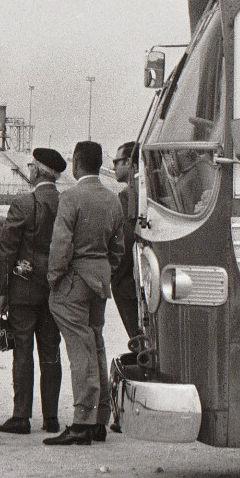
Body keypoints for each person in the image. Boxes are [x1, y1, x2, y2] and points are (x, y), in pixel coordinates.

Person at [44, 141, 125, 445]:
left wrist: (54, 279)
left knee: (80, 351)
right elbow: (117, 248)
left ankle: (82, 421)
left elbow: (61, 245)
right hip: (100, 280)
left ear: (76, 163)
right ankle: (99, 419)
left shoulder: (71, 197)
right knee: (96, 345)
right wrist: (104, 270)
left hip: (73, 280)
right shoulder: (113, 200)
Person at [0, 147, 66, 436]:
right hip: (55, 290)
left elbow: (7, 249)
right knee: (51, 351)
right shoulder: (66, 203)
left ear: (37, 171)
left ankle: (21, 416)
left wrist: (2, 290)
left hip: (23, 291)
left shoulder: (23, 204)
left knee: (22, 351)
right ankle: (51, 418)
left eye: (31, 166)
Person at [109, 141, 142, 349]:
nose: (114, 167)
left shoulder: (129, 195)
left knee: (137, 338)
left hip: (128, 280)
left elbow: (125, 239)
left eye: (117, 162)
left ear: (130, 163)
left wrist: (115, 275)